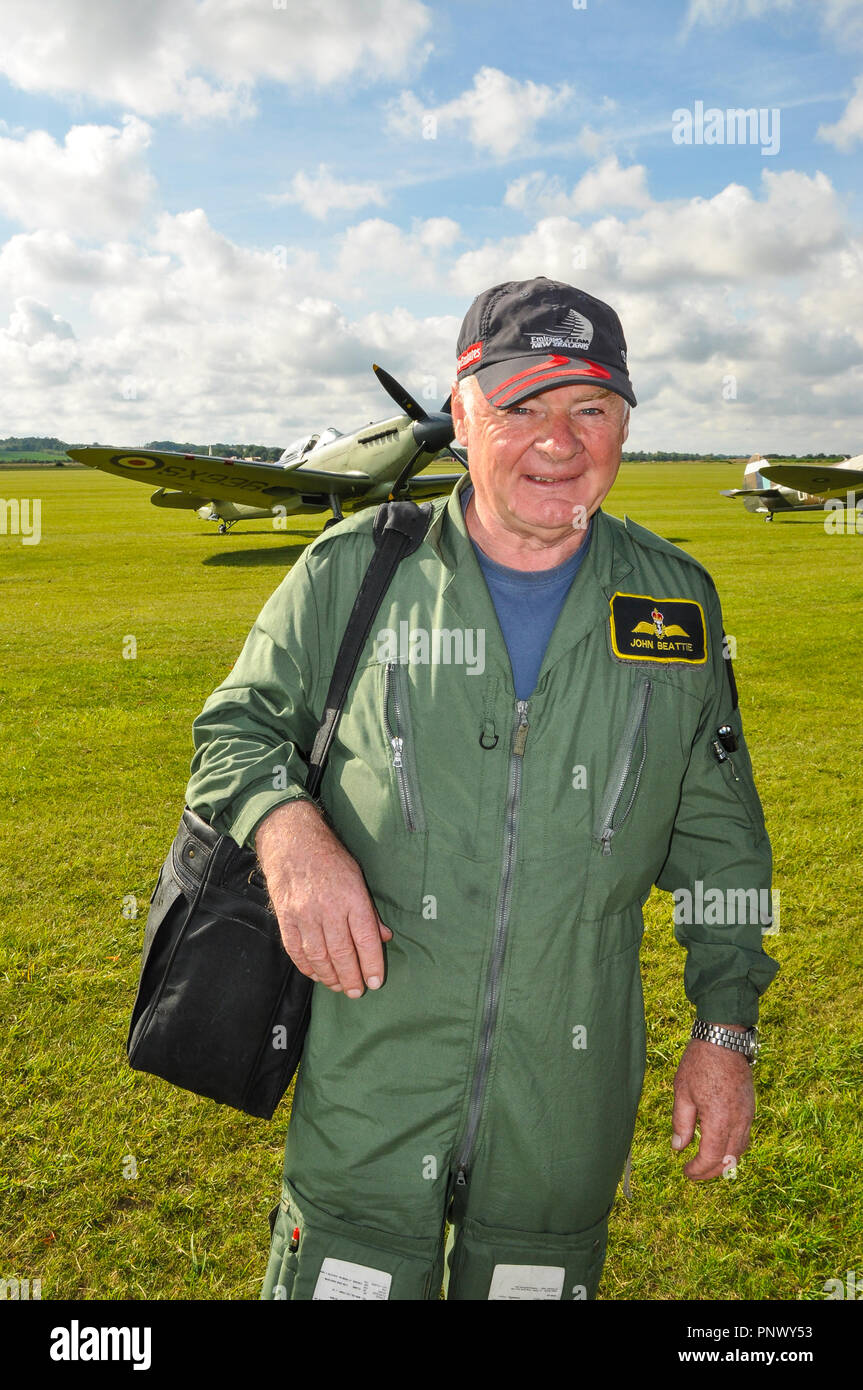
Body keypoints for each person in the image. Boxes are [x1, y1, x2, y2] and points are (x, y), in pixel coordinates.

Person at [185, 277, 778, 1301]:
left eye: (589, 407)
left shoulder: (673, 602)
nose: (558, 438)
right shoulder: (353, 571)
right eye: (520, 405)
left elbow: (720, 840)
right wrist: (285, 829)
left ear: (623, 427)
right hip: (370, 1087)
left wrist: (724, 1031)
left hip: (563, 1104)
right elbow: (234, 729)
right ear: (460, 416)